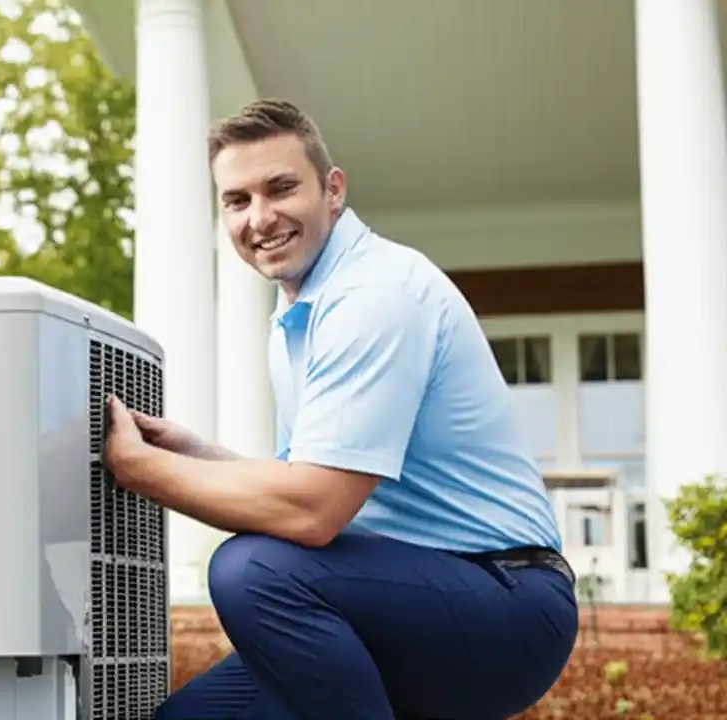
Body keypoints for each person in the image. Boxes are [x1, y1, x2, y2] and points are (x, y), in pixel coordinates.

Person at [103, 98, 578, 719]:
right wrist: (199, 456)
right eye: (237, 200)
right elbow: (308, 481)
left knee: (253, 570)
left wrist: (140, 471)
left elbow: (312, 513)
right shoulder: (304, 310)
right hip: (397, 596)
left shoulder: (372, 296)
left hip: (504, 604)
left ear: (332, 190)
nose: (260, 218)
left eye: (280, 189)